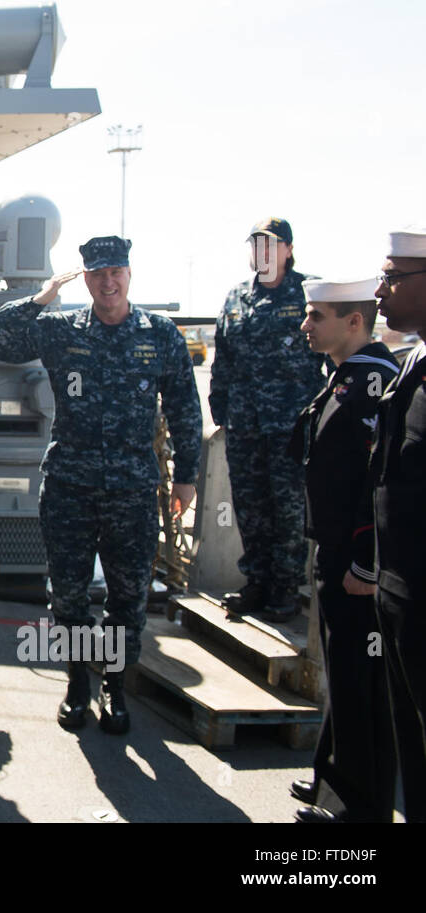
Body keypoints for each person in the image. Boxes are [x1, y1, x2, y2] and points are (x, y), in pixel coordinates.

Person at [0, 236, 201, 734]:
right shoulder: (60, 330)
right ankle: (78, 683)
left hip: (133, 490)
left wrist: (187, 476)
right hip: (70, 486)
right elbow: (0, 341)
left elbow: (186, 408)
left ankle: (116, 687)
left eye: (116, 271)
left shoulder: (160, 334)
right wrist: (40, 298)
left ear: (129, 274)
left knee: (128, 595)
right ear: (85, 278)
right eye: (98, 273)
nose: (109, 281)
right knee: (70, 596)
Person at [287, 277, 398, 823]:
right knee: (342, 671)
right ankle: (331, 779)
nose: (306, 325)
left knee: (362, 682)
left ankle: (359, 808)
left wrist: (364, 562)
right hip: (333, 552)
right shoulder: (345, 380)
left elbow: (378, 484)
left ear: (354, 322)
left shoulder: (377, 385)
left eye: (317, 316)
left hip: (357, 563)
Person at [209, 218, 325, 621]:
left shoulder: (310, 293)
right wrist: (219, 404)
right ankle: (256, 581)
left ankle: (286, 587)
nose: (262, 252)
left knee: (289, 508)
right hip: (245, 422)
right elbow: (223, 355)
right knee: (250, 506)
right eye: (256, 245)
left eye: (271, 245)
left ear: (289, 250)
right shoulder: (237, 296)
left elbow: (331, 355)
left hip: (292, 424)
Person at [349, 224, 426, 822]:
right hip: (401, 588)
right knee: (413, 748)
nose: (380, 293)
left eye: (393, 279)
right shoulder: (415, 358)